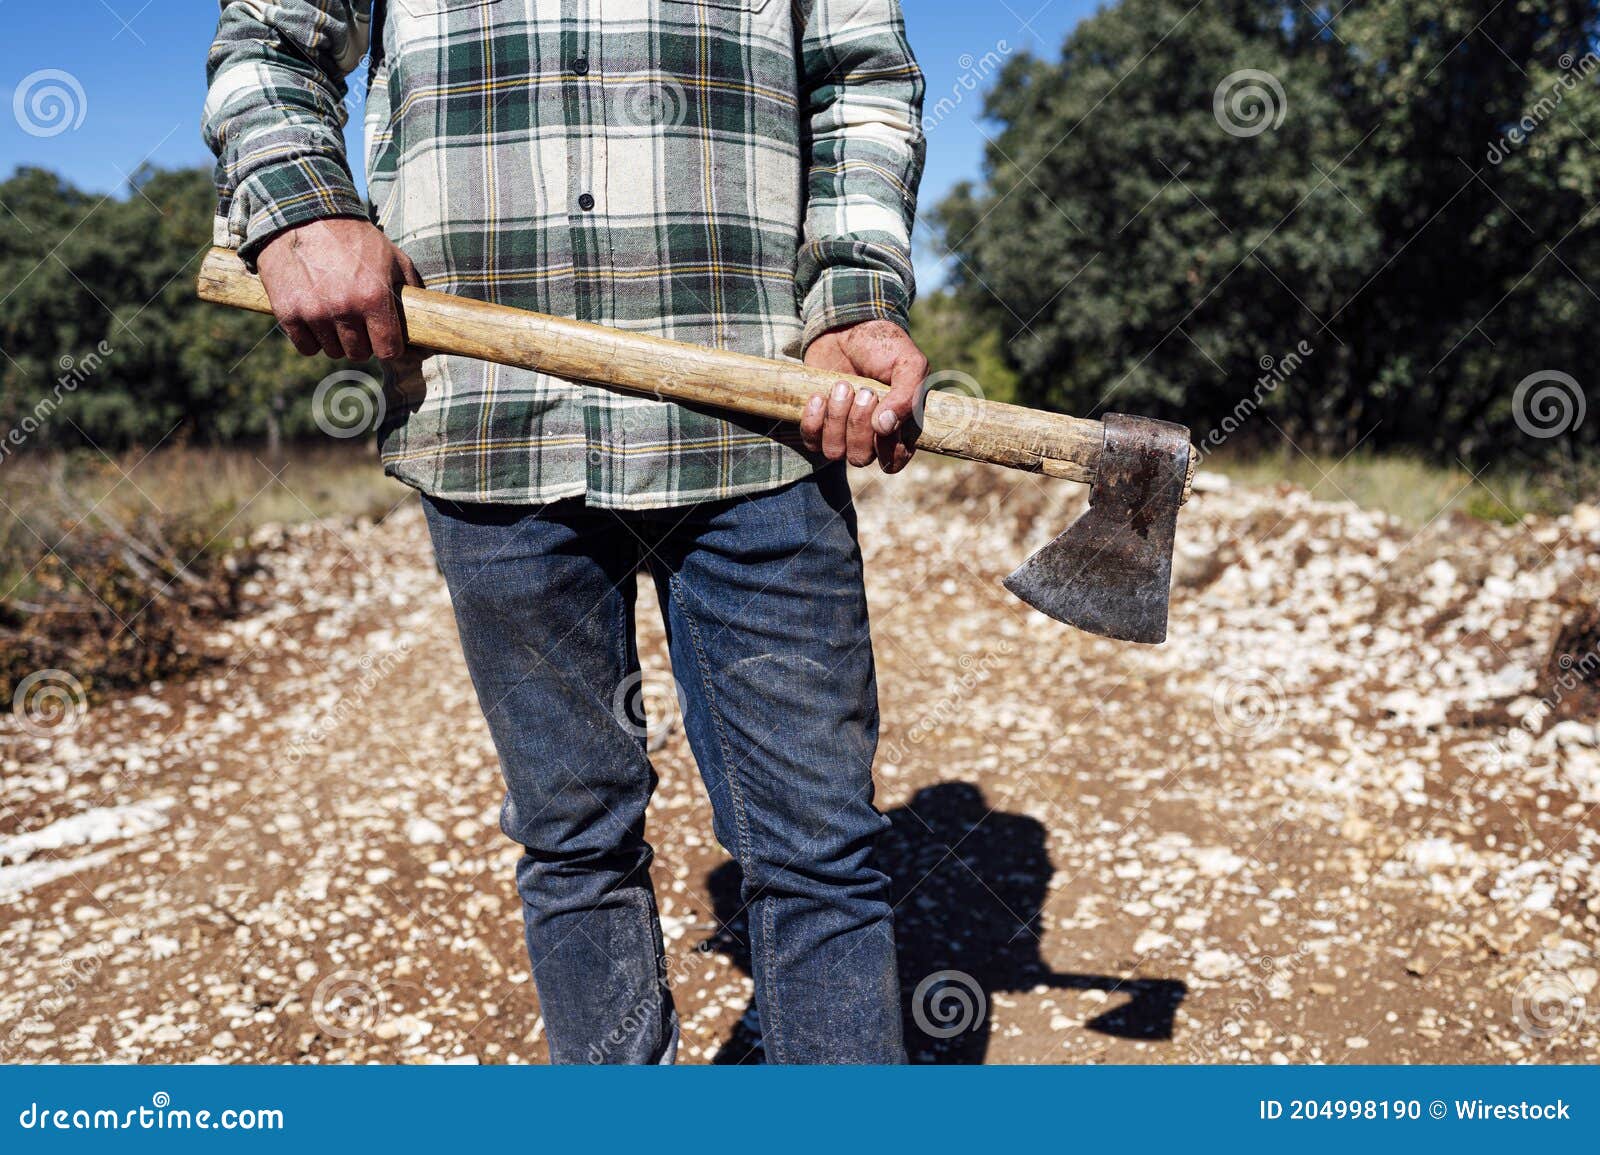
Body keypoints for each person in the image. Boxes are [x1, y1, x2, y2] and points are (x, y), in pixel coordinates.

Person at [204, 0, 926, 1063]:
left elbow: (860, 77)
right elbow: (271, 35)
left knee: (819, 850)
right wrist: (303, 206)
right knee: (574, 843)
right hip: (487, 410)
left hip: (763, 413)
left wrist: (854, 296)